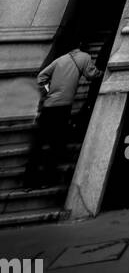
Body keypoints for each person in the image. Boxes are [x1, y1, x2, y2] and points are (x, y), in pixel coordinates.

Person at [25, 42, 101, 187]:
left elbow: (41, 77)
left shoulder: (60, 59)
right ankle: (49, 178)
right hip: (63, 106)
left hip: (48, 105)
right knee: (56, 143)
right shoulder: (84, 57)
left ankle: (29, 179)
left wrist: (48, 91)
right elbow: (91, 74)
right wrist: (102, 73)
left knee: (39, 143)